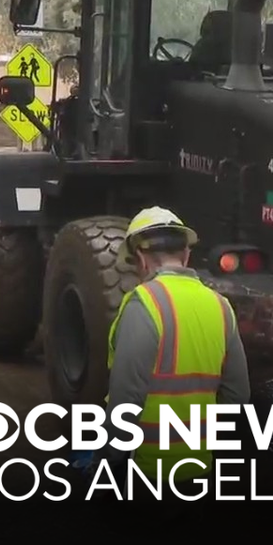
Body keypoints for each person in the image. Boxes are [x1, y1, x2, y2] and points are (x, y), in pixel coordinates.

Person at [89, 207, 250, 510]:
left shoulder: (144, 304)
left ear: (141, 259)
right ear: (186, 255)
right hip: (200, 471)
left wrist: (108, 468)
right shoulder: (220, 306)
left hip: (147, 474)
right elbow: (238, 396)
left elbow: (126, 401)